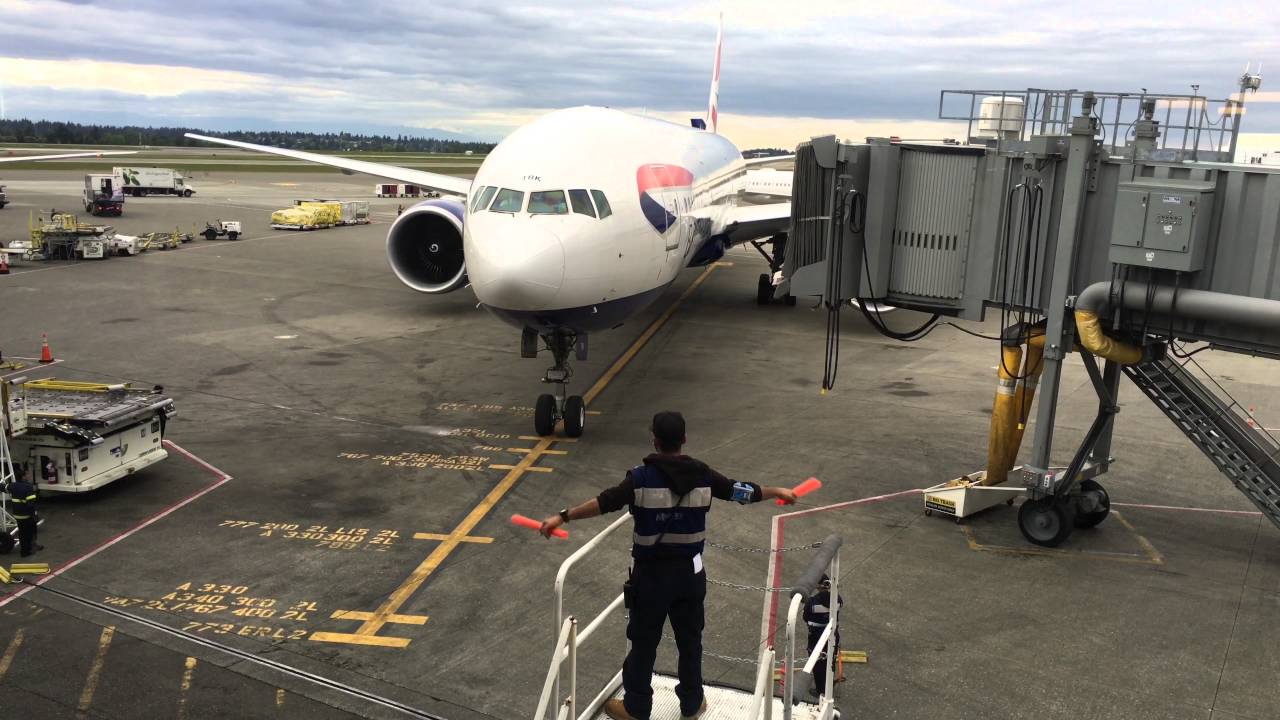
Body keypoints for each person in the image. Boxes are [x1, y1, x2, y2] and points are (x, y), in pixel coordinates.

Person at [540, 411, 797, 720]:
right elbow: (740, 491)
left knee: (643, 643)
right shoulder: (704, 476)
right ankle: (692, 703)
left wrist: (563, 516)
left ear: (655, 440)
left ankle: (636, 708)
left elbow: (604, 502)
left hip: (651, 577)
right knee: (690, 642)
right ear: (683, 440)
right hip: (691, 575)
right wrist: (776, 491)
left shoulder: (640, 479)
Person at [803, 574, 843, 697]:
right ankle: (829, 684)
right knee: (830, 661)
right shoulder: (837, 599)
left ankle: (820, 690)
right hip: (833, 635)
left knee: (818, 665)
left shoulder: (812, 602)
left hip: (816, 638)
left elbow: (805, 618)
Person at [6, 471, 42, 557]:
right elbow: (30, 504)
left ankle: (27, 549)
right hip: (26, 515)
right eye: (27, 475)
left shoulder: (12, 485)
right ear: (23, 477)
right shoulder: (28, 487)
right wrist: (34, 515)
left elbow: (4, 487)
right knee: (29, 533)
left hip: (17, 515)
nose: (28, 476)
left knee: (22, 533)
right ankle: (26, 551)